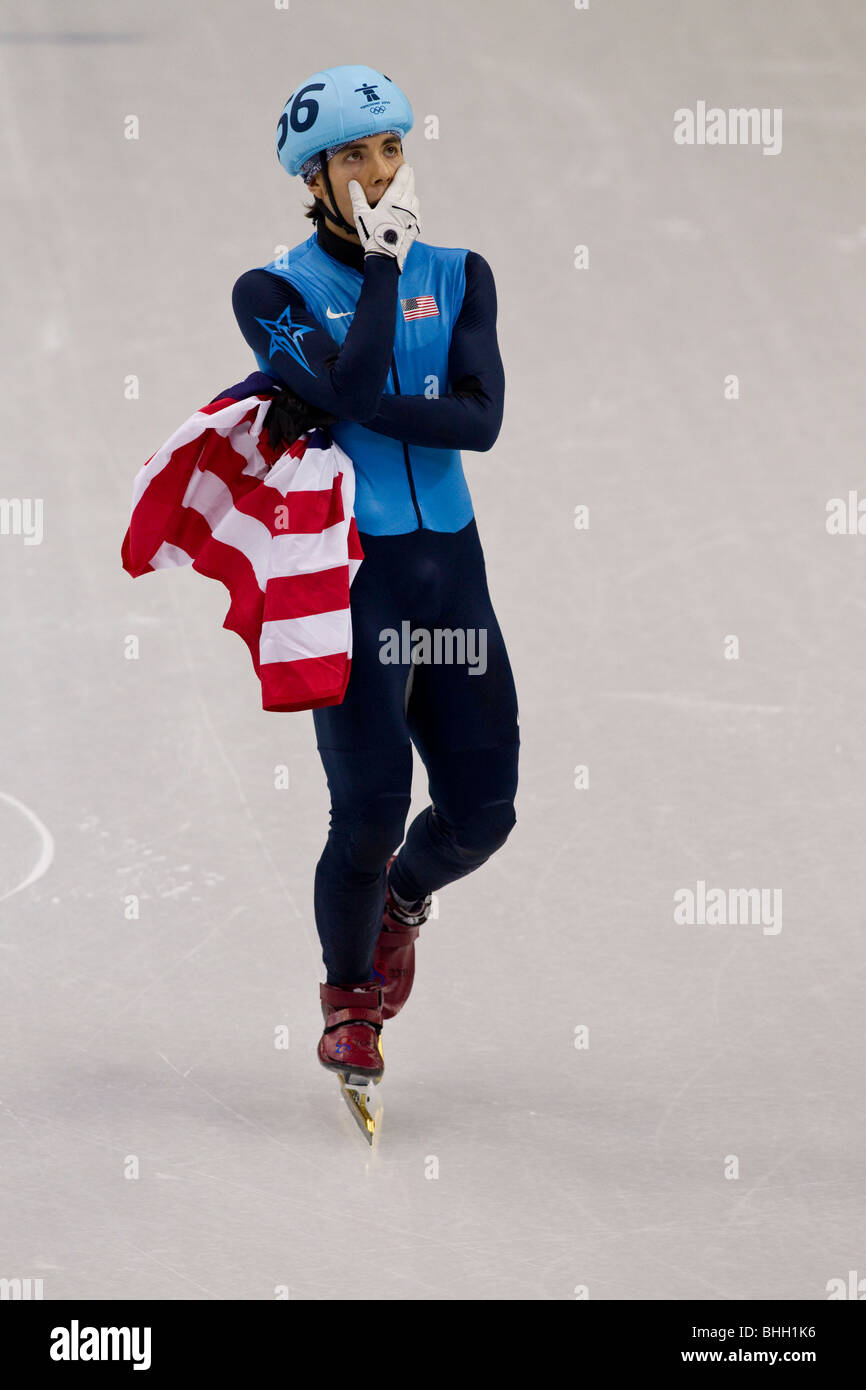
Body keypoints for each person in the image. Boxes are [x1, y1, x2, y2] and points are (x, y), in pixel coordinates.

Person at [231, 64, 519, 1085]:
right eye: (353, 157)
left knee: (484, 814)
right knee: (365, 812)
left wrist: (342, 399)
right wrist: (382, 275)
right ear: (313, 179)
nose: (379, 171)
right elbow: (351, 379)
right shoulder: (271, 292)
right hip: (355, 588)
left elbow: (477, 425)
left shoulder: (463, 272)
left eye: (390, 148)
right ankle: (348, 999)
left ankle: (402, 898)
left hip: (450, 581)